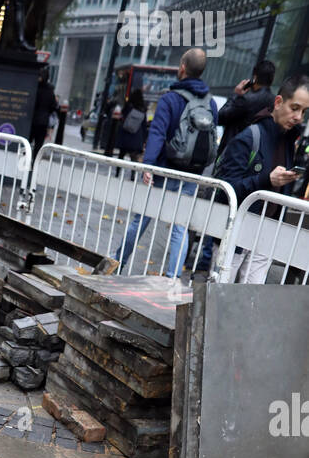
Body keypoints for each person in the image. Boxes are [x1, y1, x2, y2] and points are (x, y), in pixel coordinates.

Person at [118, 48, 218, 276]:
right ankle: (173, 277)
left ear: (182, 68)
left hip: (164, 171)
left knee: (140, 220)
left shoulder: (170, 99)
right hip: (191, 175)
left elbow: (157, 134)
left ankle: (117, 262)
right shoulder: (210, 104)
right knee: (179, 228)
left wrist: (149, 166)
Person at [215, 75, 309, 282]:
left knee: (249, 299)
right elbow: (227, 190)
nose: (299, 117)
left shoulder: (289, 139)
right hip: (237, 237)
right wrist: (266, 180)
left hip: (267, 235)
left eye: (304, 112)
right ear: (278, 102)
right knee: (220, 298)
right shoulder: (249, 137)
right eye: (294, 108)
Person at [216, 60, 275, 153]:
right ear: (272, 79)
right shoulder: (274, 102)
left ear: (255, 77)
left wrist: (236, 95)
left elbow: (220, 117)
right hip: (255, 154)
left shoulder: (245, 100)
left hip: (232, 151)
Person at [30, 66, 58, 161]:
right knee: (38, 144)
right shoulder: (50, 91)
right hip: (43, 121)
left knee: (27, 142)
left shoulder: (34, 87)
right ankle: (34, 163)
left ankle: (25, 160)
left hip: (31, 120)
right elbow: (54, 106)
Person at [115, 86, 148, 163]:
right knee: (133, 157)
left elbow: (123, 116)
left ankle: (117, 172)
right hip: (136, 136)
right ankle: (133, 174)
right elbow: (144, 126)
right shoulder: (143, 109)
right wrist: (143, 139)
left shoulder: (129, 106)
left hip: (125, 134)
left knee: (121, 154)